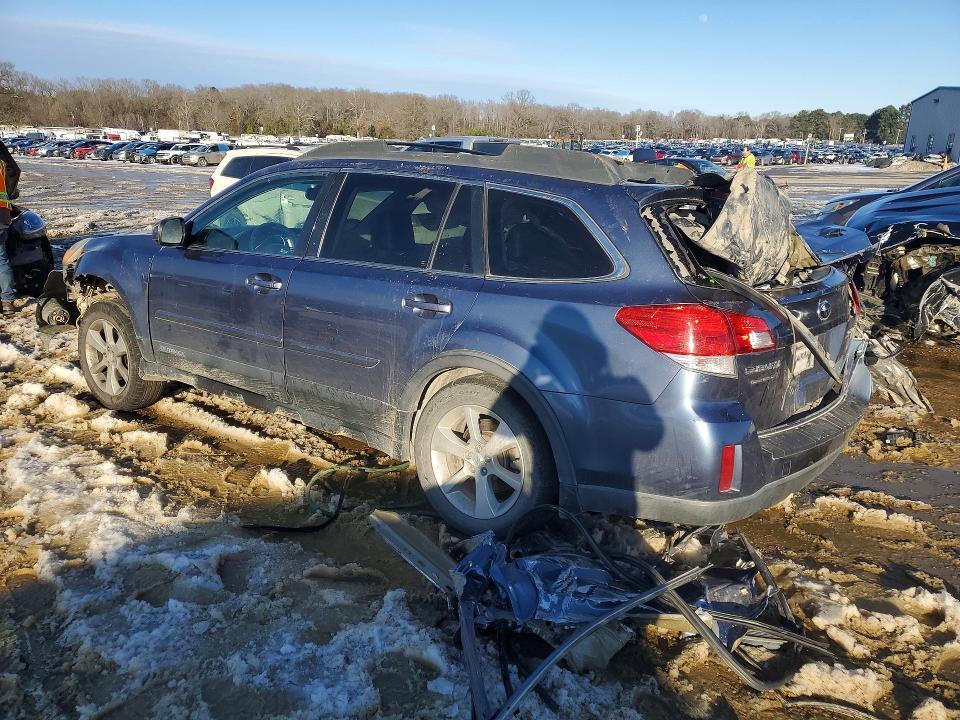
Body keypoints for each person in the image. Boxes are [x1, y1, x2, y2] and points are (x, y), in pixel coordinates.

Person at [0, 140, 22, 314]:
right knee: (1, 259)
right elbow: (14, 170)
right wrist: (10, 193)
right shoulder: (2, 161)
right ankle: (7, 301)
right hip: (2, 214)